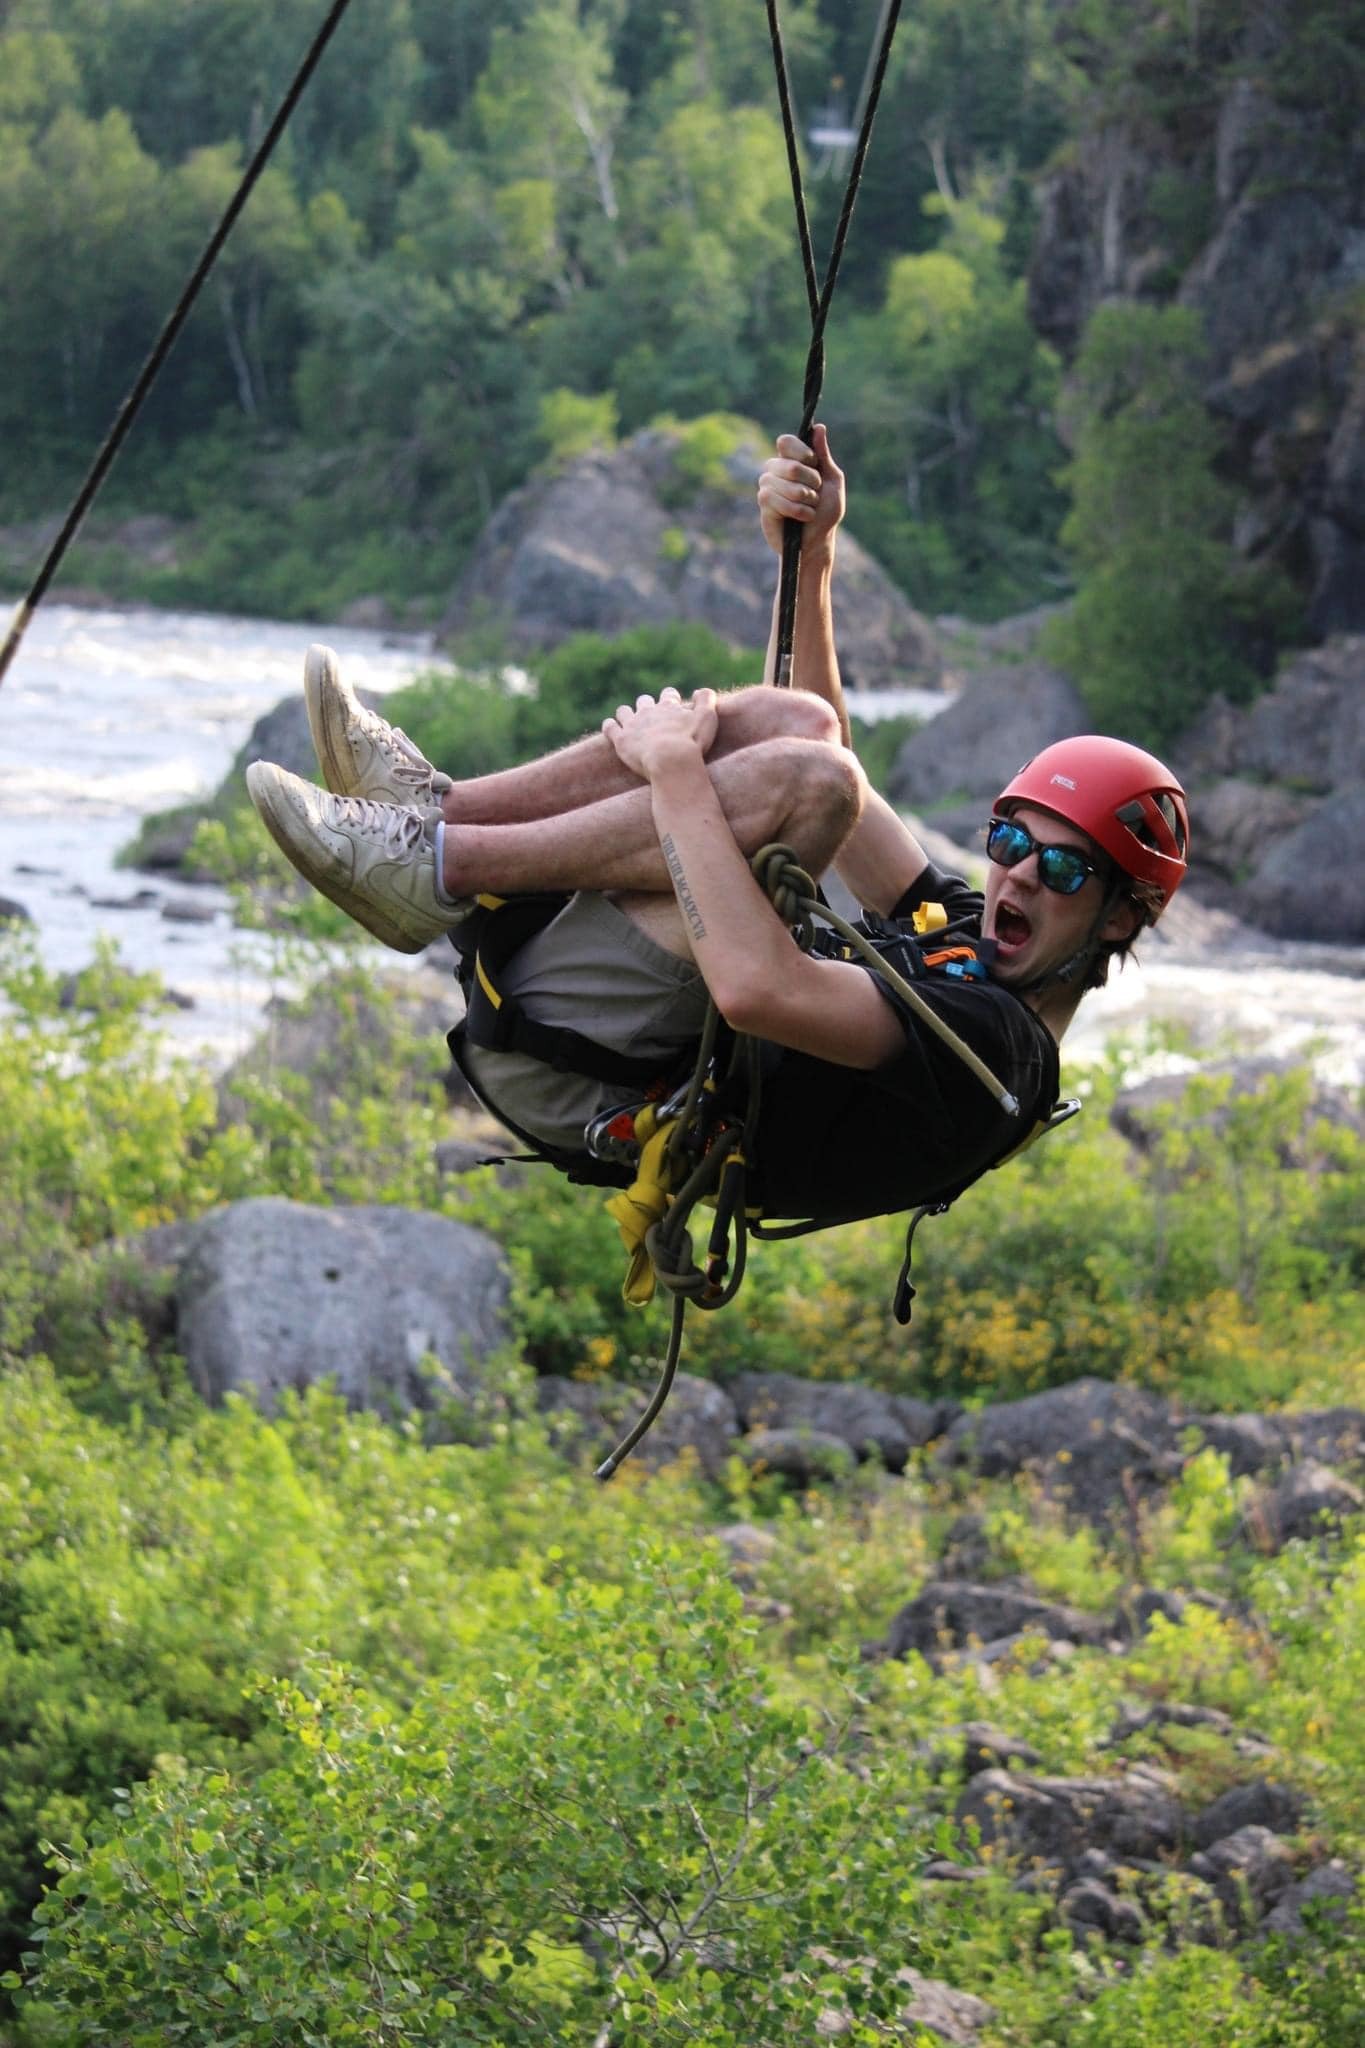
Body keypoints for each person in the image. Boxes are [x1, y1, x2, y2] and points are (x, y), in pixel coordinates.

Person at [245, 429, 1189, 1228]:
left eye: (1059, 869)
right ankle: (441, 812)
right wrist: (811, 558)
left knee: (807, 778)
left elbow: (753, 988)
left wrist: (673, 769)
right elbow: (834, 764)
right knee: (807, 740)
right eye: (1010, 845)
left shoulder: (999, 1044)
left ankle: (441, 866)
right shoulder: (961, 937)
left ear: (1118, 917)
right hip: (603, 1007)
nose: (1015, 880)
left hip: (595, 1075)